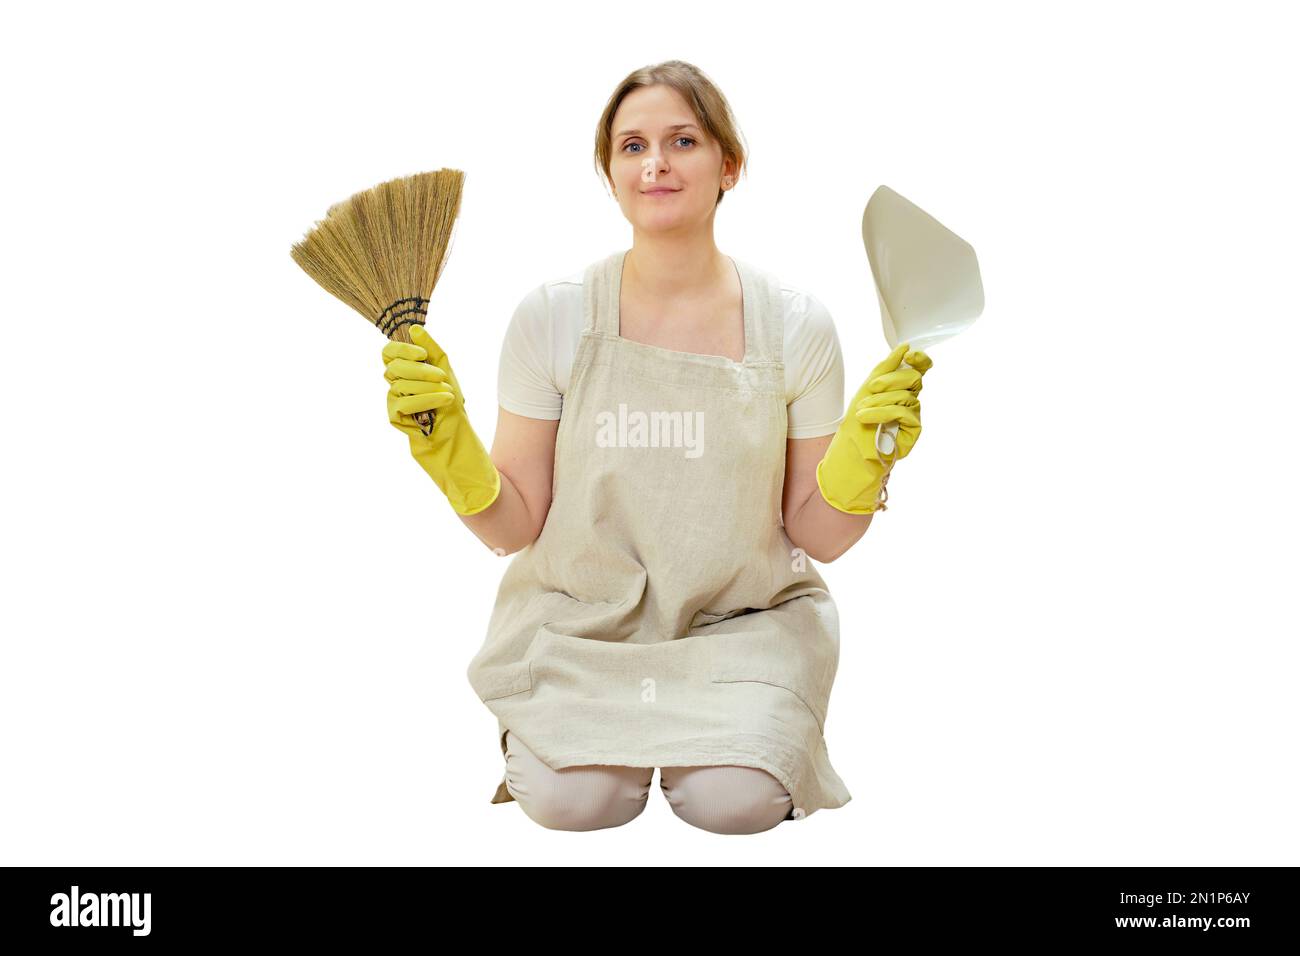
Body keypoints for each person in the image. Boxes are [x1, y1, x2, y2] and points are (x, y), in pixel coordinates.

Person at [382, 60, 932, 834]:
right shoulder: (553, 318)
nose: (657, 164)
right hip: (583, 627)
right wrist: (448, 451)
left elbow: (820, 536)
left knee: (733, 802)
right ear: (609, 173)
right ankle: (598, 736)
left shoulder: (796, 326)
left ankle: (728, 733)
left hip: (743, 625)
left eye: (683, 140)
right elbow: (514, 527)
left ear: (728, 165)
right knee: (576, 802)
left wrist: (866, 458)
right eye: (632, 146)